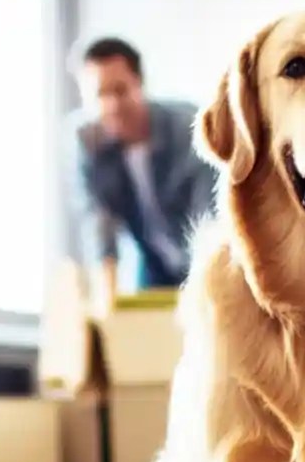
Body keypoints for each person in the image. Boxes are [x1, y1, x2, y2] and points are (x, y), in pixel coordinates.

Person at [65, 37, 217, 307]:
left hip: (202, 260)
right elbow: (97, 219)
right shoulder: (87, 143)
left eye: (120, 90)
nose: (111, 105)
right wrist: (106, 299)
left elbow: (209, 216)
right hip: (152, 264)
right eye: (100, 94)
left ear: (140, 83)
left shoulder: (188, 127)